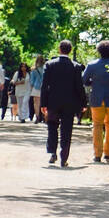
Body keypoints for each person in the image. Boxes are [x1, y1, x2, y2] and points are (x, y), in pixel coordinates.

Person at [40, 39, 86, 167]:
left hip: (52, 102)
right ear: (70, 51)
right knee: (67, 129)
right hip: (69, 104)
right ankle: (64, 157)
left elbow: (44, 86)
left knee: (52, 126)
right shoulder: (76, 66)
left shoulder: (50, 64)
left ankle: (52, 152)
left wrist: (43, 103)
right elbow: (79, 87)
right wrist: (83, 103)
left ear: (59, 49)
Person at [82, 40, 109, 162]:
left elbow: (83, 80)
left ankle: (97, 154)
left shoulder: (92, 65)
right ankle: (108, 153)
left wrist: (93, 83)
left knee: (97, 125)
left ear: (99, 51)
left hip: (97, 98)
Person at [30, 55, 45, 123]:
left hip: (36, 87)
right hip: (44, 87)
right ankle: (44, 116)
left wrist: (31, 88)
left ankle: (37, 116)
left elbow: (32, 81)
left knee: (36, 103)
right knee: (44, 102)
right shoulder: (46, 68)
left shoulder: (34, 69)